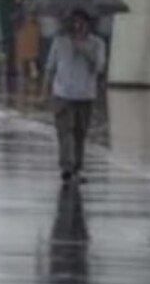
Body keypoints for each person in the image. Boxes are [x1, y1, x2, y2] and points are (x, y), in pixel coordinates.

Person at [44, 11, 106, 183]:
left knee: (80, 133)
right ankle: (66, 167)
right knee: (65, 132)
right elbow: (50, 66)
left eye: (81, 22)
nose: (77, 26)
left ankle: (77, 168)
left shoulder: (97, 43)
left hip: (85, 94)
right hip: (62, 93)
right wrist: (46, 89)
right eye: (74, 22)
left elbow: (99, 67)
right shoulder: (60, 41)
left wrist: (83, 49)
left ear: (88, 24)